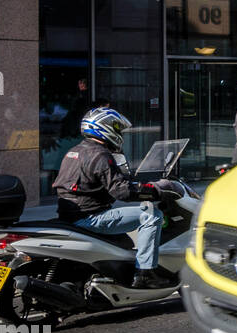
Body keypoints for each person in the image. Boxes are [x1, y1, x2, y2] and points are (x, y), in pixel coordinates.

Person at [53, 107, 181, 289]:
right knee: (152, 215)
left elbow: (103, 181)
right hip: (91, 217)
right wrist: (158, 190)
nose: (120, 134)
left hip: (70, 214)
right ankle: (145, 274)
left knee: (125, 243)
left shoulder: (75, 151)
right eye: (117, 129)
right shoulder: (100, 154)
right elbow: (122, 192)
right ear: (103, 127)